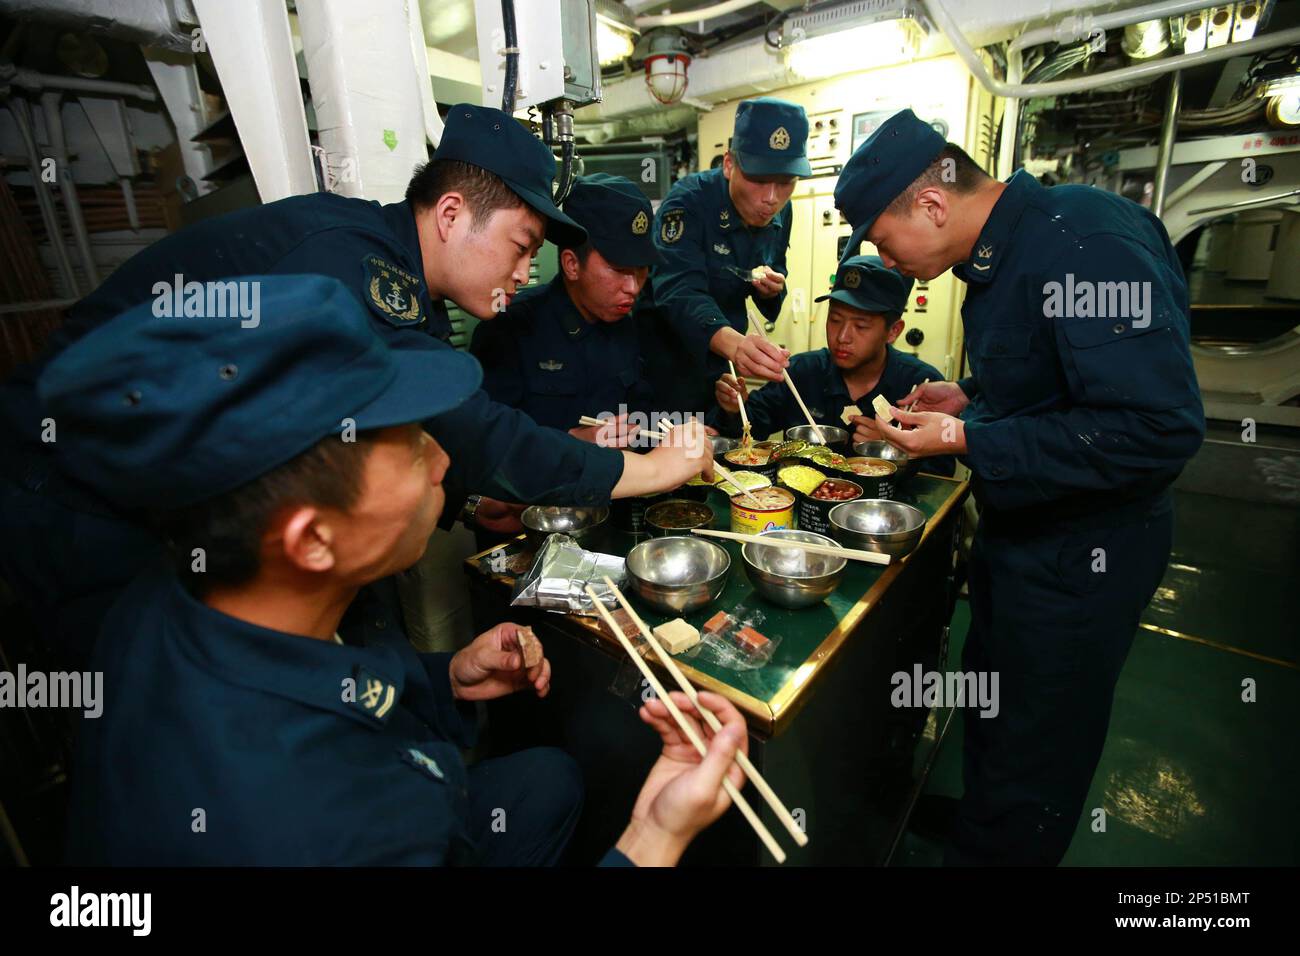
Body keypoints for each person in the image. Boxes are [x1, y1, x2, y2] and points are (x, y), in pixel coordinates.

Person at [50, 274, 746, 866]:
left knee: (547, 779)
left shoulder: (171, 599)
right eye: (413, 447)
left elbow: (331, 677)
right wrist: (655, 832)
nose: (443, 462)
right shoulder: (333, 823)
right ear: (312, 537)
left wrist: (443, 679)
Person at [0, 103, 710, 666]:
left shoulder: (402, 282)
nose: (527, 273)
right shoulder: (359, 269)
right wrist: (651, 468)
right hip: (72, 488)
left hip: (149, 487)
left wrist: (468, 503)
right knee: (144, 707)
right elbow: (478, 433)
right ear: (453, 214)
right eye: (522, 248)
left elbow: (429, 436)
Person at [834, 109, 1205, 864]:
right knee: (996, 702)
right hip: (1024, 532)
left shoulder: (1081, 247)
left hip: (1084, 554)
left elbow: (1155, 427)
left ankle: (1009, 847)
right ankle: (983, 825)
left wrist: (969, 437)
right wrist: (972, 399)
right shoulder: (1005, 254)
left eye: (881, 240)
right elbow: (1060, 383)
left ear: (931, 205)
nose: (886, 258)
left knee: (1043, 734)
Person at [636, 97, 810, 414]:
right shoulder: (688, 202)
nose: (771, 199)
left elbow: (777, 270)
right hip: (666, 364)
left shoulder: (783, 213)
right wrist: (737, 346)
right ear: (729, 164)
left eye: (785, 183)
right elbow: (678, 290)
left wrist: (772, 290)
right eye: (758, 180)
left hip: (721, 365)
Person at [709, 254, 954, 476]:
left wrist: (895, 449)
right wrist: (734, 406)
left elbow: (942, 474)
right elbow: (750, 431)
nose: (843, 336)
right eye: (835, 319)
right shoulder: (802, 372)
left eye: (861, 326)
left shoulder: (920, 386)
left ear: (893, 331)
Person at [471, 173, 658, 438]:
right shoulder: (510, 330)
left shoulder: (628, 327)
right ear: (572, 265)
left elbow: (644, 414)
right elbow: (487, 444)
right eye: (619, 270)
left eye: (641, 270)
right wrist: (572, 443)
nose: (633, 287)